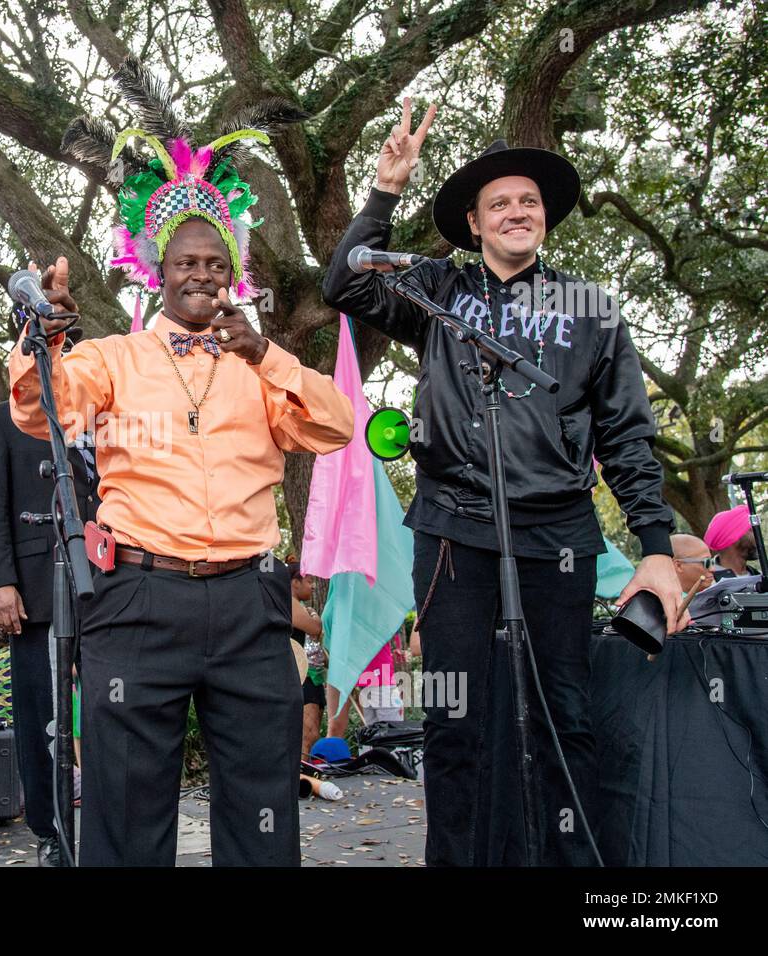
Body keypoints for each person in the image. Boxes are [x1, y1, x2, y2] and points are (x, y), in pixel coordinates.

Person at [323, 99, 682, 866]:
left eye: (529, 201)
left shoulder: (592, 308)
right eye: (500, 204)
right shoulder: (438, 290)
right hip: (453, 529)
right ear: (475, 225)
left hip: (557, 534)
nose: (517, 211)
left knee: (564, 716)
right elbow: (344, 287)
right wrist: (385, 190)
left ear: (543, 217)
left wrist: (654, 545)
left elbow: (626, 435)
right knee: (455, 720)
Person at [13, 62, 355, 866]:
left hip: (247, 602)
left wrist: (265, 351)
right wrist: (50, 334)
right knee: (128, 805)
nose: (201, 273)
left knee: (262, 798)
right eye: (186, 262)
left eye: (215, 262)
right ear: (157, 270)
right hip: (138, 598)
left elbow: (337, 426)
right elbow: (39, 410)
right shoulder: (113, 356)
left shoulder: (263, 366)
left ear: (231, 271)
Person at [0, 399, 99, 866]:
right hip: (39, 591)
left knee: (114, 715)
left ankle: (109, 829)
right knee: (42, 716)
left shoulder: (106, 413)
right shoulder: (1, 419)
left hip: (114, 586)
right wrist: (0, 583)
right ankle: (51, 832)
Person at [287, 562, 325, 758]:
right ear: (295, 582)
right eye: (309, 581)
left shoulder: (301, 606)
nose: (312, 586)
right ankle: (299, 781)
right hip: (299, 675)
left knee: (313, 735)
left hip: (311, 674)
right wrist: (315, 617)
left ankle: (307, 778)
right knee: (306, 736)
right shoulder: (288, 602)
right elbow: (315, 628)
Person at [704, 505, 759, 580]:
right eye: (751, 530)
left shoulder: (760, 576)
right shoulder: (708, 582)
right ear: (733, 539)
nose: (758, 537)